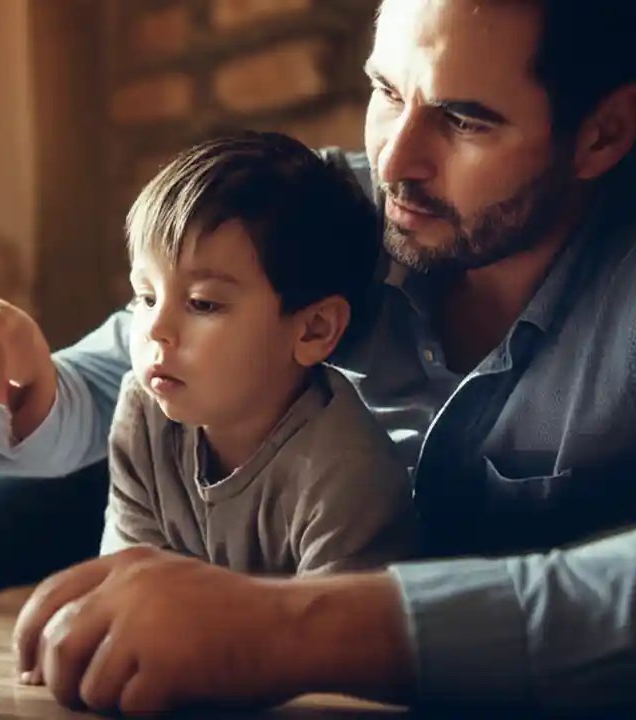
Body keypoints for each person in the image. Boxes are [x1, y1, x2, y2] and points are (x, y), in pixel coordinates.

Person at [0, 0, 636, 712]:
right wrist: (26, 385)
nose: (393, 165)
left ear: (603, 133)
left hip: (360, 526)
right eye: (388, 92)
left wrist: (276, 628)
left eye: (464, 120)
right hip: (245, 462)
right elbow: (115, 370)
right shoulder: (339, 204)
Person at [97, 131, 415, 575]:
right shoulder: (143, 414)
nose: (156, 329)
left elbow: (337, 619)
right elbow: (127, 586)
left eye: (203, 304)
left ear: (314, 329)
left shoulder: (350, 475)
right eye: (146, 297)